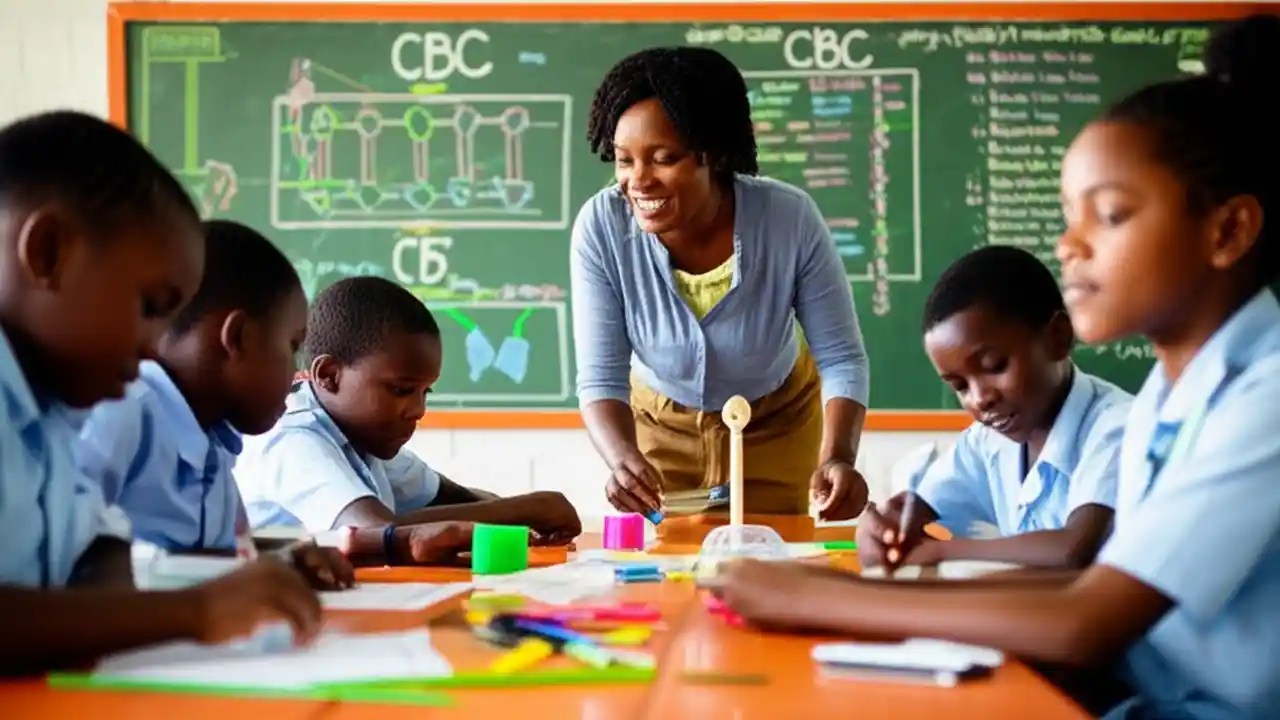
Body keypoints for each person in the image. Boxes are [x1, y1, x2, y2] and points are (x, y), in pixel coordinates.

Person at [707, 14, 1280, 719]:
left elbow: (1090, 618)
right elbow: (1099, 584)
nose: (1070, 245)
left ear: (1228, 231)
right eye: (1070, 216)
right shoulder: (1172, 390)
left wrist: (821, 596)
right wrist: (892, 591)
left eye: (1111, 214)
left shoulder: (1265, 398)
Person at [0, 111, 320, 675]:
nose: (154, 350)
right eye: (150, 308)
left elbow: (99, 546)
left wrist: (107, 615)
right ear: (47, 253)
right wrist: (190, 611)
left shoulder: (54, 416)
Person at [572, 46, 870, 527]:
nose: (638, 181)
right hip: (660, 430)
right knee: (671, 573)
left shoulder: (789, 218)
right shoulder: (601, 226)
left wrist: (838, 457)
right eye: (624, 161)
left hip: (777, 423)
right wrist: (622, 459)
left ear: (711, 153)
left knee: (774, 564)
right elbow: (601, 379)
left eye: (663, 158)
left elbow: (841, 358)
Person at [235, 276, 582, 555]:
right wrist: (527, 509)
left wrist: (526, 518)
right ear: (328, 375)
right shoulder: (292, 437)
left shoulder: (362, 434)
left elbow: (448, 496)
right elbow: (376, 531)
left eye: (424, 391)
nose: (418, 410)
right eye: (401, 390)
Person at [857, 246, 1130, 570]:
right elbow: (915, 507)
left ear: (1058, 337)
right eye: (960, 386)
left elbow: (1074, 551)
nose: (980, 398)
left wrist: (943, 551)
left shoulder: (1118, 427)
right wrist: (880, 531)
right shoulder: (988, 442)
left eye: (995, 365)